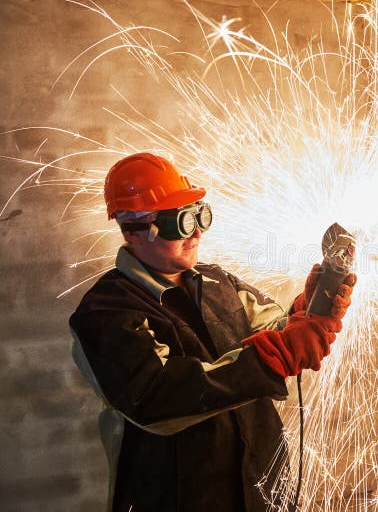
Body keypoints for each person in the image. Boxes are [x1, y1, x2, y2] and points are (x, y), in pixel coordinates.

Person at [69, 152, 356, 511]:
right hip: (179, 499)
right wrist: (277, 353)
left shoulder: (218, 281)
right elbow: (157, 398)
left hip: (262, 491)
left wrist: (307, 311)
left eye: (199, 215)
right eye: (182, 223)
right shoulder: (105, 313)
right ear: (134, 230)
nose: (198, 233)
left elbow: (275, 330)